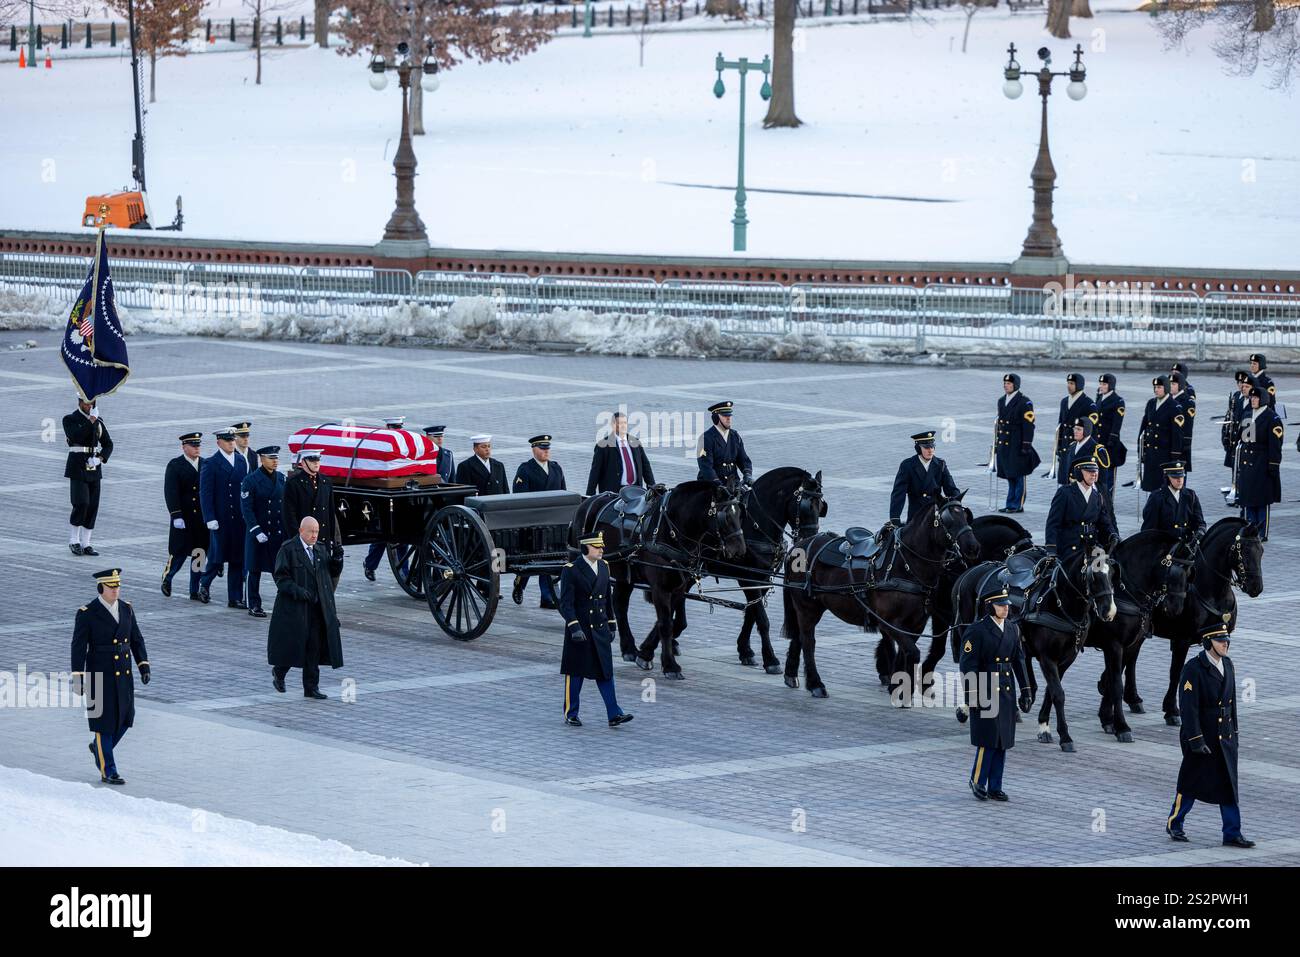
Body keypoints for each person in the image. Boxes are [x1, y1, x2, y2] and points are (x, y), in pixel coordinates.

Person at [1166, 623, 1254, 847]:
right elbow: (1188, 708)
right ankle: (1175, 823)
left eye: (1226, 640)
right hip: (1202, 736)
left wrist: (1234, 732)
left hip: (1224, 737)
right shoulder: (1193, 669)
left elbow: (1231, 701)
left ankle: (1232, 833)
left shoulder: (1228, 664)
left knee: (1229, 785)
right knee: (1190, 783)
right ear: (1208, 643)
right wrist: (1195, 739)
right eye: (1220, 640)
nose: (1225, 643)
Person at [72, 568, 151, 785]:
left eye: (118, 586)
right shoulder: (88, 612)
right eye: (111, 587)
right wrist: (78, 676)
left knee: (126, 718)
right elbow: (78, 646)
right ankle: (108, 770)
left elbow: (136, 639)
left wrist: (143, 665)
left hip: (123, 673)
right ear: (101, 588)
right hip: (99, 673)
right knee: (103, 723)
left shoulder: (126, 609)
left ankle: (98, 747)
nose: (116, 591)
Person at [959, 585, 1032, 801]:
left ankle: (995, 785)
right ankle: (978, 780)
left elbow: (1019, 660)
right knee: (987, 739)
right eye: (1000, 606)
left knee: (1003, 741)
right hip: (985, 688)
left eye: (1006, 606)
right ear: (990, 607)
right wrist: (971, 697)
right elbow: (968, 665)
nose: (1005, 609)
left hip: (1006, 689)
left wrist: (1026, 690)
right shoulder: (977, 630)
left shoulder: (1012, 629)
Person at [559, 532, 632, 728]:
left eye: (601, 546)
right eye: (596, 547)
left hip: (599, 629)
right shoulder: (571, 570)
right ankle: (571, 712)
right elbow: (565, 604)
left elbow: (606, 598)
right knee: (576, 673)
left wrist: (611, 623)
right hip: (580, 629)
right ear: (585, 548)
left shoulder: (604, 567)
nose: (601, 550)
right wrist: (574, 627)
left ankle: (614, 713)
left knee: (605, 672)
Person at [268, 517, 344, 699]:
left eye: (316, 532)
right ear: (301, 530)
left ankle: (311, 687)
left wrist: (337, 559)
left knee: (314, 648)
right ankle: (279, 672)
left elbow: (331, 572)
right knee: (294, 646)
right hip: (296, 609)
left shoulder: (320, 549)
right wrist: (298, 591)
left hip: (317, 608)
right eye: (311, 531)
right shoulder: (288, 549)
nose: (314, 535)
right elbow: (281, 578)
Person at [511, 434, 565, 609]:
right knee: (531, 560)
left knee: (550, 559)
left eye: (547, 448)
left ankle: (547, 597)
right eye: (542, 448)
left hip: (553, 523)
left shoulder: (556, 468)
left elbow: (563, 492)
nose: (546, 451)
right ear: (534, 449)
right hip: (533, 523)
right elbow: (521, 498)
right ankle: (520, 583)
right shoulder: (525, 470)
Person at [198, 428, 247, 608]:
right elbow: (206, 493)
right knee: (217, 556)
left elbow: (244, 490)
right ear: (219, 442)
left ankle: (234, 598)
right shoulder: (211, 463)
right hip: (220, 519)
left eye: (233, 440)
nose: (231, 443)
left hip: (238, 520)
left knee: (237, 559)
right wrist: (209, 517)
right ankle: (204, 584)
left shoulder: (241, 461)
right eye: (227, 441)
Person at [240, 446, 288, 618]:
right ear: (261, 459)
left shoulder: (282, 479)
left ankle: (287, 603)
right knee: (254, 570)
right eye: (270, 458)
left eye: (276, 458)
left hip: (276, 533)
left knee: (279, 571)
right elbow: (247, 509)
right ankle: (253, 604)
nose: (275, 461)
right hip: (258, 534)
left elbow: (285, 507)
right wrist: (256, 530)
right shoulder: (250, 480)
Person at [63, 396, 113, 556]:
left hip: (93, 466)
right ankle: (74, 540)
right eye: (85, 402)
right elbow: (76, 436)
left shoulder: (99, 421)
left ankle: (86, 543)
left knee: (92, 505)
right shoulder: (70, 419)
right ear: (79, 402)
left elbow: (108, 443)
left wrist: (100, 458)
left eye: (91, 402)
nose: (88, 405)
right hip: (77, 465)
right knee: (81, 502)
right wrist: (91, 420)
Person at [162, 431, 208, 600]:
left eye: (198, 445)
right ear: (184, 447)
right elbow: (171, 492)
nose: (197, 449)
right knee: (179, 553)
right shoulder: (175, 465)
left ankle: (194, 589)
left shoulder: (205, 464)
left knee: (199, 554)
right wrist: (176, 515)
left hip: (201, 519)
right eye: (193, 446)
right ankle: (168, 578)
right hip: (184, 517)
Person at [1044, 458, 1120, 560]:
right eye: (1089, 471)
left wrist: (1113, 535)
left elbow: (1105, 522)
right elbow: (1053, 523)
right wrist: (1051, 548)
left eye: (1095, 470)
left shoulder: (1097, 496)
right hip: (1070, 546)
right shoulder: (1065, 493)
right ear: (1079, 473)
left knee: (1105, 571)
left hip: (1092, 546)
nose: (1094, 474)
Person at [1236, 384, 1283, 541]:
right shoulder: (1248, 414)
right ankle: (1250, 527)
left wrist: (1273, 466)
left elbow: (1275, 446)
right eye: (1251, 397)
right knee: (1249, 497)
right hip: (1247, 462)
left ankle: (1262, 531)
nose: (1253, 400)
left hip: (1262, 462)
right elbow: (1243, 438)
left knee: (1262, 499)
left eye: (1256, 398)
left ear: (1263, 399)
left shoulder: (1272, 418)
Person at [888, 430, 958, 526]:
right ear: (918, 448)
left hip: (936, 514)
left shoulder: (940, 464)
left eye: (932, 446)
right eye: (926, 447)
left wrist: (956, 505)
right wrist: (895, 517)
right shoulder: (908, 465)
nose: (930, 450)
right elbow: (899, 493)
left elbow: (951, 488)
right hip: (916, 515)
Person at [993, 373, 1039, 514]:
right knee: (1010, 474)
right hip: (1005, 444)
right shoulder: (1002, 401)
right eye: (1005, 383)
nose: (1006, 385)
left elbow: (1029, 425)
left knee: (1019, 475)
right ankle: (1009, 503)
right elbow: (1000, 424)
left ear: (1016, 385)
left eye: (1009, 383)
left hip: (1017, 443)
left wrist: (1026, 444)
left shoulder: (1025, 402)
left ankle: (1017, 504)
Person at [587, 411, 656, 495]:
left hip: (636, 489)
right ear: (613, 425)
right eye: (620, 423)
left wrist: (653, 488)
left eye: (625, 423)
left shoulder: (635, 442)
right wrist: (589, 495)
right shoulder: (603, 445)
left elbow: (646, 467)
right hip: (614, 493)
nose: (623, 426)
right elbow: (595, 472)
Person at [1141, 461, 1206, 544]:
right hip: (1165, 544)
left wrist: (1200, 531)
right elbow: (1149, 529)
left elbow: (1200, 522)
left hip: (1187, 543)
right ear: (1167, 478)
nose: (1179, 480)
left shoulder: (1190, 495)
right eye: (1175, 477)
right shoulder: (1157, 497)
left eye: (1181, 477)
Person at [1138, 375, 1182, 493]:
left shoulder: (1174, 406)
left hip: (1164, 453)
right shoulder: (1151, 403)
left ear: (1166, 388)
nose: (1156, 390)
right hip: (1151, 451)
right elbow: (1144, 426)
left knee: (1163, 487)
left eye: (1159, 387)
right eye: (1155, 387)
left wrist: (1175, 456)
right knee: (1151, 486)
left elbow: (1176, 434)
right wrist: (1140, 448)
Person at [1053, 373, 1096, 484]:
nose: (1069, 386)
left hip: (1078, 447)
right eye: (1068, 383)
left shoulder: (1088, 403)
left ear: (1079, 385)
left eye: (1072, 383)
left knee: (1076, 483)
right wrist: (1058, 446)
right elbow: (1061, 425)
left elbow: (1090, 429)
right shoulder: (1064, 401)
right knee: (1063, 481)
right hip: (1065, 447)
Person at [697, 401, 752, 487]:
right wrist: (718, 484)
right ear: (716, 418)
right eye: (725, 416)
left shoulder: (735, 436)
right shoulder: (705, 439)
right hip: (711, 485)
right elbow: (706, 467)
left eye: (729, 415)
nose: (728, 418)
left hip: (733, 484)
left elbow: (744, 459)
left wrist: (747, 474)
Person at [1094, 374, 1126, 498]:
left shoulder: (1118, 401)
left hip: (1109, 443)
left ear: (1111, 386)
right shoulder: (1099, 397)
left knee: (1108, 474)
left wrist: (1112, 439)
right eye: (1100, 384)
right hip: (1098, 441)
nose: (1101, 386)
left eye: (1104, 384)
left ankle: (1107, 500)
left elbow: (1117, 423)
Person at [1169, 371, 1197, 473]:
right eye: (1169, 384)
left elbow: (1188, 426)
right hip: (1168, 443)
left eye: (1173, 384)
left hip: (1180, 445)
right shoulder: (1168, 399)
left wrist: (1185, 445)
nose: (1170, 386)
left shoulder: (1187, 402)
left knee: (1179, 475)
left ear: (1180, 385)